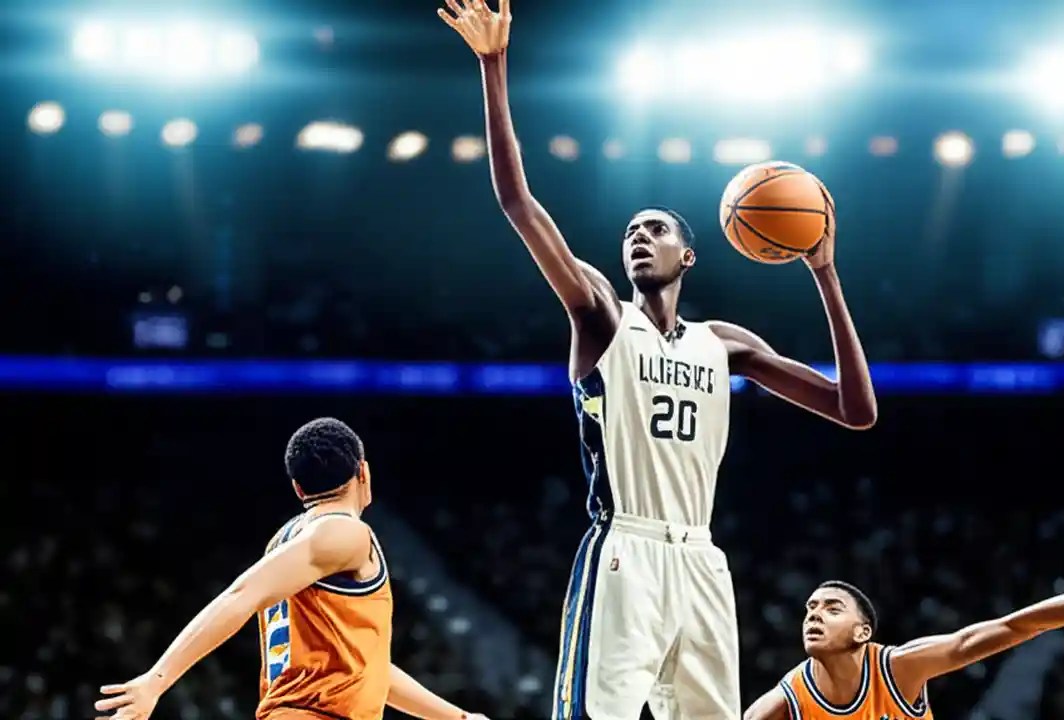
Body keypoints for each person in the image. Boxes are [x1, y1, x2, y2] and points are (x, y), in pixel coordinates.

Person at [437, 2, 877, 719]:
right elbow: (519, 204)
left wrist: (824, 272)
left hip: (702, 558)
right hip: (626, 548)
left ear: (689, 254)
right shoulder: (602, 316)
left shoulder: (725, 342)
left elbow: (856, 412)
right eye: (630, 231)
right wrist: (494, 66)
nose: (639, 237)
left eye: (656, 229)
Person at [95, 418, 486, 720]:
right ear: (363, 472)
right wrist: (157, 680)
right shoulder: (345, 534)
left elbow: (369, 669)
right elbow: (239, 596)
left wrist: (458, 716)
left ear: (299, 489)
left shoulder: (286, 541)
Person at [744, 547, 1064, 720]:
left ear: (863, 631)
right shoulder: (786, 701)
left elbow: (1018, 625)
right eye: (810, 607)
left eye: (832, 607)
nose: (814, 614)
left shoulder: (900, 668)